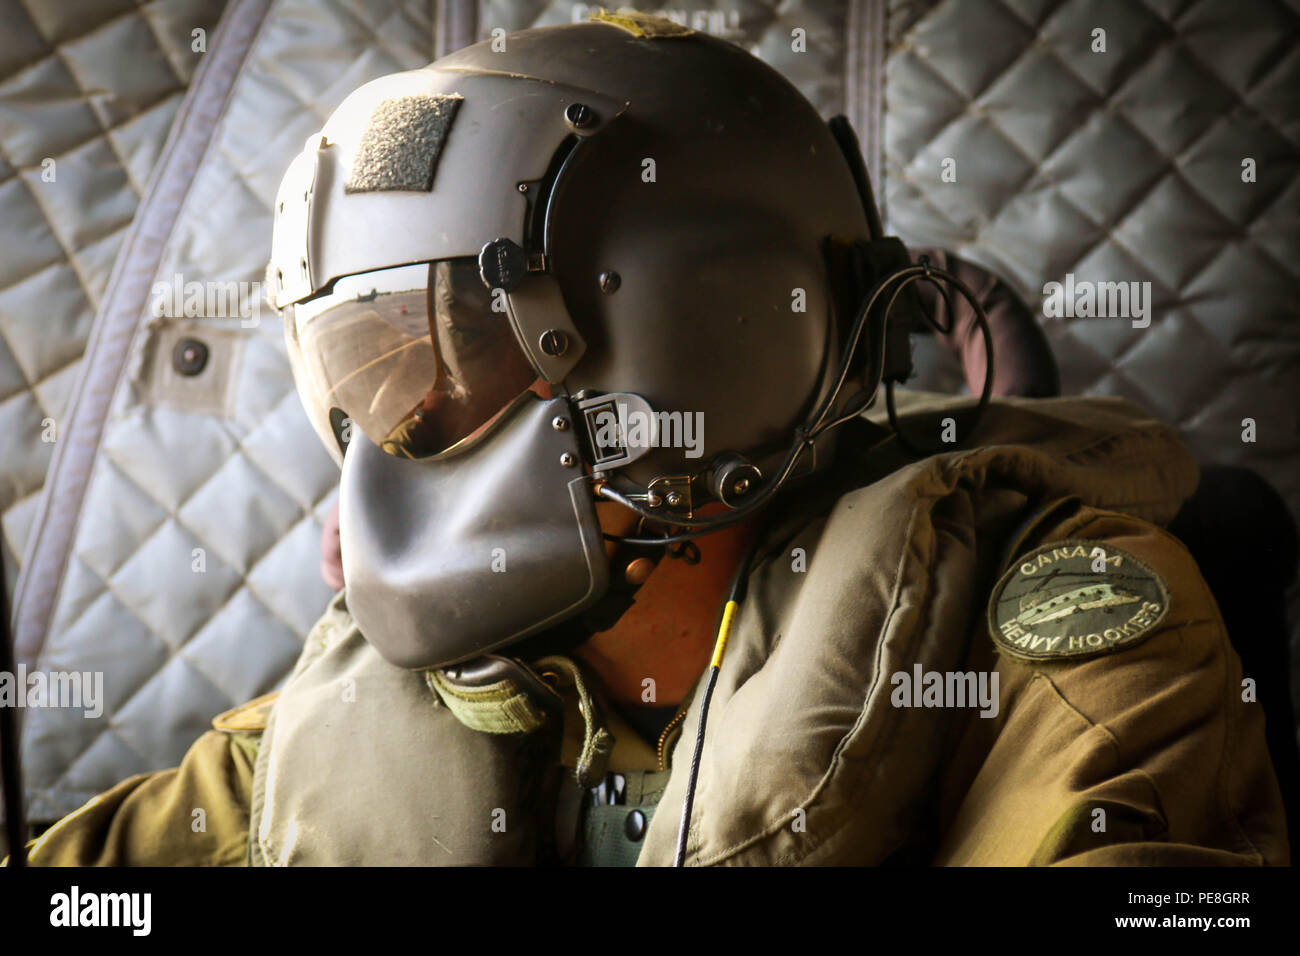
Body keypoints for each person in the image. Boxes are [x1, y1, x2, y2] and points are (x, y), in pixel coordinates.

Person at [17, 12, 1288, 867]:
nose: (396, 453)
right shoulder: (345, 727)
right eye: (368, 382)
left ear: (704, 340)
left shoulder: (1075, 646)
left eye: (463, 363)